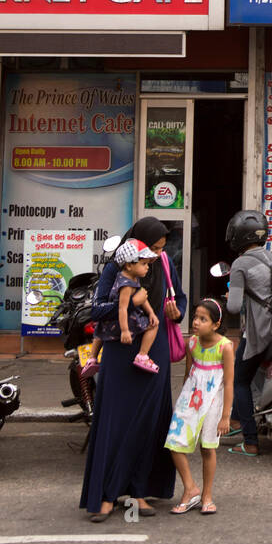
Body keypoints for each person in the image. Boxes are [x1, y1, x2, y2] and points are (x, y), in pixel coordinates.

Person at [79, 216, 187, 522]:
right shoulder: (117, 266)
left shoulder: (164, 262)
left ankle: (140, 491)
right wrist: (130, 303)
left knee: (148, 422)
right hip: (120, 347)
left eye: (161, 248)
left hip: (154, 348)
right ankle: (105, 495)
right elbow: (97, 308)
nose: (156, 254)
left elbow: (178, 298)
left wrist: (176, 312)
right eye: (152, 248)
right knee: (115, 420)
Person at [224, 209, 272, 457]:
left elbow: (232, 306)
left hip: (258, 333)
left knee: (239, 380)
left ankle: (250, 440)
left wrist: (234, 297)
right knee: (252, 371)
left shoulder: (240, 264)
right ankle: (236, 421)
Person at [166, 299, 234, 515]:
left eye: (203, 319)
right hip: (190, 399)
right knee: (174, 443)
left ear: (215, 324)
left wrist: (226, 416)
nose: (196, 322)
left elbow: (230, 383)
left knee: (208, 448)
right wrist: (181, 402)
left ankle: (206, 495)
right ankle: (190, 488)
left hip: (213, 402)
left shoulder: (225, 347)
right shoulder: (191, 344)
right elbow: (188, 373)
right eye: (195, 317)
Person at [82, 240, 161, 379]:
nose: (147, 267)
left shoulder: (130, 277)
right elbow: (123, 308)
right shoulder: (127, 285)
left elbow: (143, 298)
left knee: (100, 330)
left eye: (147, 264)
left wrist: (151, 312)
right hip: (123, 321)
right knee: (153, 326)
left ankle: (92, 358)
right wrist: (125, 331)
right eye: (143, 264)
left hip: (111, 322)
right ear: (129, 265)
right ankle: (142, 356)